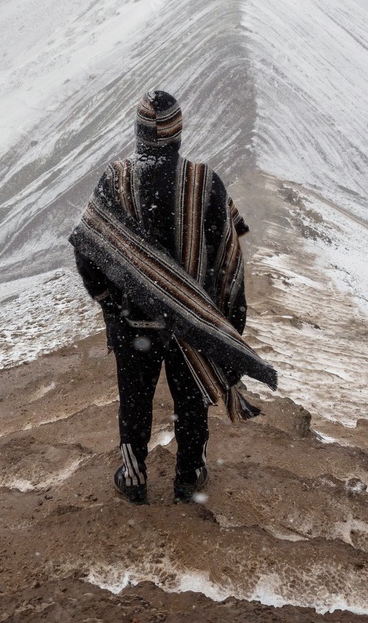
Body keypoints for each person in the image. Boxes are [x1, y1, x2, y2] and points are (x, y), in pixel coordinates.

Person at [69, 89, 277, 505]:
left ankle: (133, 477)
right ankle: (189, 475)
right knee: (190, 402)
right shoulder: (203, 182)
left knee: (134, 402)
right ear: (178, 135)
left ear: (139, 133)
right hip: (189, 326)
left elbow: (87, 245)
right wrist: (222, 324)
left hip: (133, 324)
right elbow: (227, 256)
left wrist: (109, 299)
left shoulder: (116, 180)